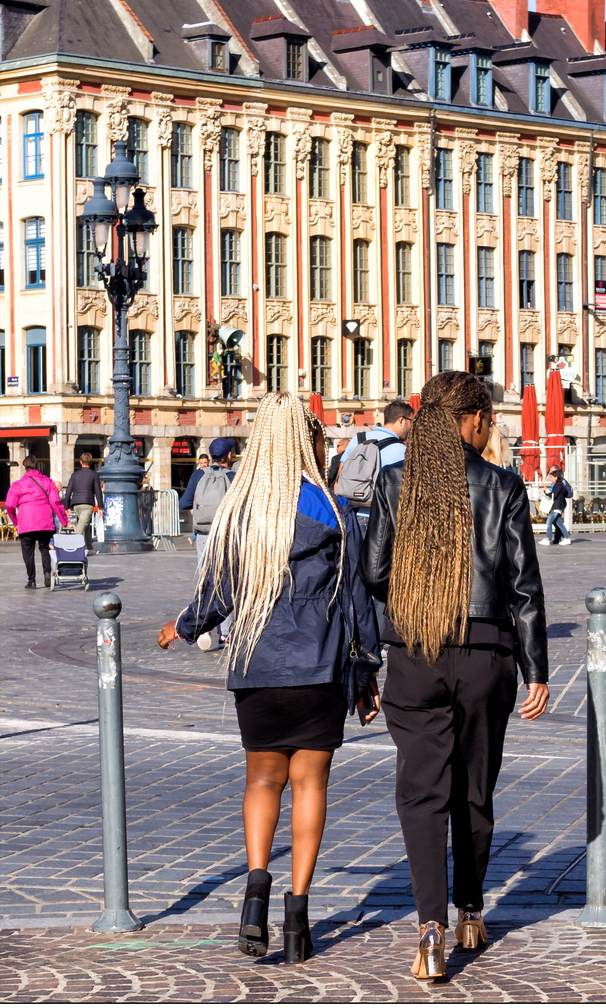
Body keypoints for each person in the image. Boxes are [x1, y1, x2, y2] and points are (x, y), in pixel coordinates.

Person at [157, 393, 381, 965]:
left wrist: (183, 626)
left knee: (262, 781)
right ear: (308, 442)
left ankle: (255, 890)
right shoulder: (333, 509)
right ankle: (298, 917)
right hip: (319, 667)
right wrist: (366, 670)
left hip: (257, 663)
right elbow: (357, 601)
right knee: (310, 786)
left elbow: (219, 590)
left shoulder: (241, 507)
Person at [361, 371, 549, 982]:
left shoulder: (395, 481)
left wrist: (421, 596)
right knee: (475, 787)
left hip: (416, 652)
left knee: (421, 793)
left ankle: (430, 932)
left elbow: (373, 571)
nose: (490, 426)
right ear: (470, 420)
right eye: (488, 417)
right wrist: (535, 669)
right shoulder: (502, 485)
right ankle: (471, 909)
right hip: (486, 653)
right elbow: (524, 587)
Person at [190, 438, 239, 651]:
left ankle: (201, 625)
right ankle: (226, 634)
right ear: (229, 455)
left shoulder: (199, 475)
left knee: (205, 580)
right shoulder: (234, 476)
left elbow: (184, 502)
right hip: (225, 534)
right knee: (225, 580)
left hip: (202, 534)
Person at [335, 399, 414, 527]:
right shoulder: (402, 450)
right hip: (381, 521)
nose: (411, 427)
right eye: (411, 422)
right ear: (401, 421)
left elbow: (339, 479)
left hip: (351, 515)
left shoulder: (358, 439)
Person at [5, 456, 69, 589]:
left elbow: (9, 505)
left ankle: (31, 580)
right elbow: (55, 502)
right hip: (45, 521)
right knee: (45, 548)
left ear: (24, 467)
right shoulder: (48, 482)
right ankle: (46, 572)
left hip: (26, 522)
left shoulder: (17, 485)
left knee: (28, 552)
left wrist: (16, 522)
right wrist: (64, 520)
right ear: (38, 466)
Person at [65, 452, 104, 547]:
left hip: (76, 504)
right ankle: (74, 548)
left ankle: (89, 547)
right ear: (90, 463)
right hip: (88, 503)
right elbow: (98, 492)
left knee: (84, 525)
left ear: (81, 462)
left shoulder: (74, 475)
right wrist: (101, 507)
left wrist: (67, 506)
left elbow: (68, 492)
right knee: (81, 528)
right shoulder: (94, 475)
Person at [541, 466, 573, 546]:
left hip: (557, 507)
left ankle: (548, 538)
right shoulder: (557, 484)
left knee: (549, 521)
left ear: (556, 477)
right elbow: (552, 494)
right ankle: (566, 537)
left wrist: (547, 490)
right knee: (558, 523)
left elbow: (554, 495)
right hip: (557, 506)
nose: (550, 479)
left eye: (551, 477)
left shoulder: (559, 485)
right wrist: (546, 490)